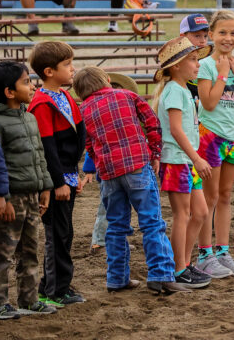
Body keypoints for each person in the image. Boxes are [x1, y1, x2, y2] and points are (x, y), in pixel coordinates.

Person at [74, 66, 185, 294]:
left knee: (115, 226)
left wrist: (98, 162)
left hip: (108, 173)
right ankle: (161, 275)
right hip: (136, 166)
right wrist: (154, 154)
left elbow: (87, 144)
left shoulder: (82, 110)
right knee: (152, 222)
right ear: (107, 80)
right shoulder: (128, 95)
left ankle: (116, 278)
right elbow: (153, 125)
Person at [26, 41, 86, 307]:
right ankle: (56, 290)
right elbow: (47, 147)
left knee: (64, 233)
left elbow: (77, 134)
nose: (73, 69)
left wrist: (75, 175)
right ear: (49, 71)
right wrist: (59, 182)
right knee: (57, 235)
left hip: (68, 176)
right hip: (56, 180)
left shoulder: (65, 97)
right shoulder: (41, 103)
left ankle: (50, 284)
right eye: (67, 65)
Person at [0, 61, 56, 317]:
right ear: (9, 92)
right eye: (25, 82)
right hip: (11, 199)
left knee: (31, 250)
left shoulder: (29, 117)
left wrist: (45, 187)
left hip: (32, 196)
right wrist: (1, 197)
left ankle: (29, 300)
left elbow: (39, 156)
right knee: (3, 252)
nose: (32, 86)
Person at [152, 37, 213, 289]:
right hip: (178, 161)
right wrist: (197, 157)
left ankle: (184, 263)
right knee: (182, 214)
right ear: (176, 66)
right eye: (193, 60)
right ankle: (179, 267)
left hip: (186, 161)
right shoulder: (175, 91)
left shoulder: (182, 89)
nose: (198, 65)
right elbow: (176, 130)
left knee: (199, 212)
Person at [195, 10, 234, 278]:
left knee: (226, 196)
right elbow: (208, 103)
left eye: (233, 33)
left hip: (232, 137)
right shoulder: (205, 65)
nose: (228, 38)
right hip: (210, 135)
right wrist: (222, 75)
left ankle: (223, 251)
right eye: (222, 32)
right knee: (210, 197)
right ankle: (204, 253)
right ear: (211, 35)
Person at [86, 73, 139, 255]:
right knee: (107, 206)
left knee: (118, 206)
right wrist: (89, 169)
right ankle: (100, 241)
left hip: (112, 167)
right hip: (110, 168)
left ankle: (113, 239)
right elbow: (92, 147)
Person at [178, 13, 210, 105]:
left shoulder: (210, 61)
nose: (203, 40)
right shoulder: (177, 63)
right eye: (197, 36)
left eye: (205, 36)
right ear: (182, 36)